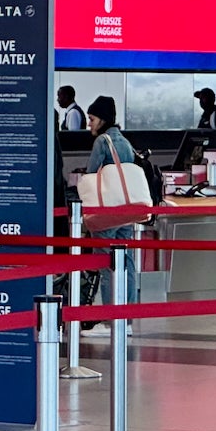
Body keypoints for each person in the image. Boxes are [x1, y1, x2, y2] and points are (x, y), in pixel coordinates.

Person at [83, 95, 137, 336]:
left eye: (92, 119)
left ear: (102, 119)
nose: (89, 124)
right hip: (126, 210)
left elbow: (92, 174)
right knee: (126, 263)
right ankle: (126, 321)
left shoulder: (102, 142)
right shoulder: (125, 142)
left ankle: (108, 320)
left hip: (107, 212)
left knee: (107, 264)